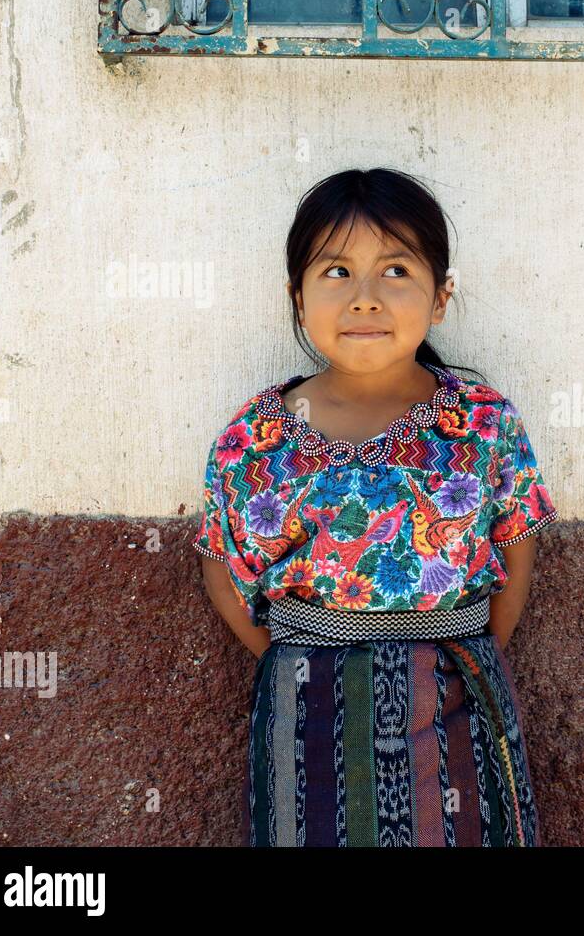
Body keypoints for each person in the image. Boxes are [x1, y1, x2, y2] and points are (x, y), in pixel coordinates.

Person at [192, 167, 558, 846]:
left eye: (395, 270)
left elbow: (516, 553)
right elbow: (224, 572)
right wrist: (305, 657)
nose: (365, 299)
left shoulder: (481, 424)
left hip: (455, 695)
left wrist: (450, 655)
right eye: (335, 272)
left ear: (441, 297)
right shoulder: (256, 436)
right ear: (296, 297)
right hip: (306, 709)